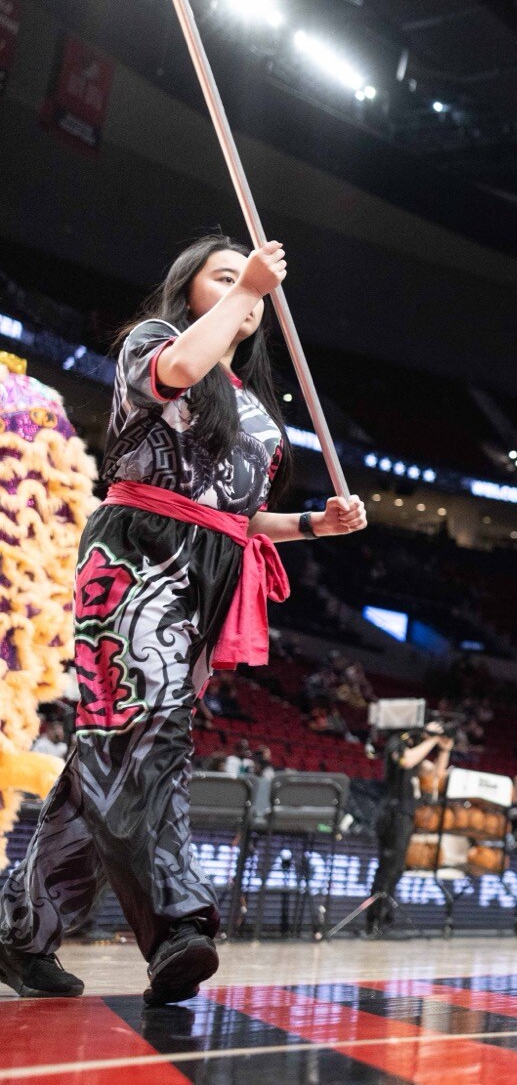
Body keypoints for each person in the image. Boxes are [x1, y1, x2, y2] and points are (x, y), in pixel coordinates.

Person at [0, 235, 366, 1004]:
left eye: (251, 283)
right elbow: (176, 376)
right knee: (147, 736)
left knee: (105, 756)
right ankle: (178, 928)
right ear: (189, 289)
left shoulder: (260, 413)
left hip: (212, 574)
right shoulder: (157, 343)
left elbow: (240, 513)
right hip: (139, 556)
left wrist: (313, 527)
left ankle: (19, 933)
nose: (242, 290)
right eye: (223, 277)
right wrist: (248, 290)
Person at [367, 721, 453, 937]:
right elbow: (407, 760)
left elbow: (436, 775)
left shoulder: (417, 754)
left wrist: (444, 750)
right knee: (387, 868)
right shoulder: (396, 743)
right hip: (392, 813)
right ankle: (374, 919)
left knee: (396, 868)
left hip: (406, 814)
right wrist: (432, 739)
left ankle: (385, 919)